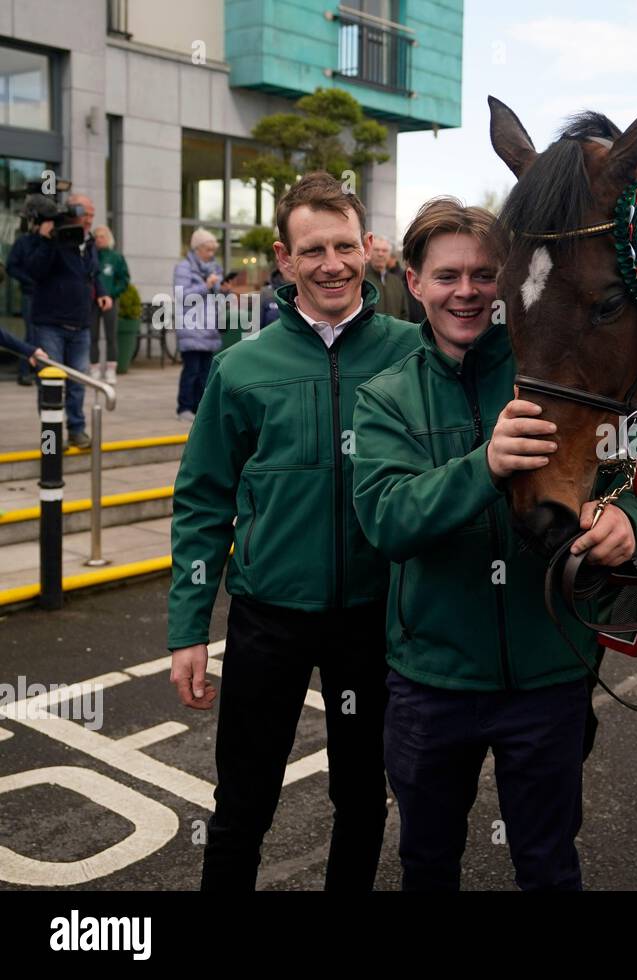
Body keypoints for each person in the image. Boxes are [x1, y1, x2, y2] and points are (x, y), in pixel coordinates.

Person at [350, 198, 637, 891]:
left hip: (549, 674)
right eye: (447, 275)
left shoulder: (557, 372)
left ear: (510, 280)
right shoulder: (384, 396)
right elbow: (388, 521)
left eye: (485, 275)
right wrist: (484, 467)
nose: (466, 291)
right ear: (414, 280)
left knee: (549, 867)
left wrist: (629, 524)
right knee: (427, 864)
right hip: (432, 683)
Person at [166, 172, 421, 891]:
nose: (331, 263)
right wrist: (188, 629)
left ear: (368, 251)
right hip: (266, 622)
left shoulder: (414, 352)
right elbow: (202, 501)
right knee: (242, 804)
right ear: (284, 259)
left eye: (344, 245)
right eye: (313, 250)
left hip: (374, 620)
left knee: (363, 800)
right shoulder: (241, 368)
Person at [23, 192, 108, 449]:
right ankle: (53, 433)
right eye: (85, 214)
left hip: (80, 324)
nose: (89, 220)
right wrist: (49, 240)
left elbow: (90, 274)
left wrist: (102, 293)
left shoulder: (88, 242)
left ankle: (77, 429)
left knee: (79, 381)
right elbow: (34, 271)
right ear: (71, 213)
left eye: (92, 215)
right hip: (50, 323)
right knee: (50, 380)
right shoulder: (50, 239)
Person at [172, 228, 230, 422]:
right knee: (191, 370)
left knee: (206, 372)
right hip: (191, 326)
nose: (211, 254)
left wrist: (223, 290)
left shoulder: (214, 268)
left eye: (213, 250)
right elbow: (183, 297)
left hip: (209, 328)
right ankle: (184, 408)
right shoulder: (184, 268)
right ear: (197, 249)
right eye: (208, 250)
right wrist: (206, 285)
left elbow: (217, 299)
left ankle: (200, 407)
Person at [91, 225, 130, 383]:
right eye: (96, 236)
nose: (99, 239)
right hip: (92, 302)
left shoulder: (116, 257)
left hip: (110, 302)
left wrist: (111, 294)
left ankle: (110, 370)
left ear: (108, 238)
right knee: (92, 336)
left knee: (111, 336)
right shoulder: (91, 256)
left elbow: (124, 280)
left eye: (102, 236)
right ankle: (93, 368)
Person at [5, 223, 41, 385]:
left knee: (46, 334)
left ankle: (41, 371)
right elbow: (11, 266)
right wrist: (28, 280)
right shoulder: (23, 243)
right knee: (32, 333)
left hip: (50, 297)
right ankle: (25, 371)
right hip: (30, 294)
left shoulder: (54, 242)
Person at [363, 235, 410, 319]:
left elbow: (404, 314)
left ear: (389, 255)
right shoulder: (361, 280)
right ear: (369, 252)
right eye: (376, 250)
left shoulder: (397, 282)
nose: (380, 254)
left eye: (384, 251)